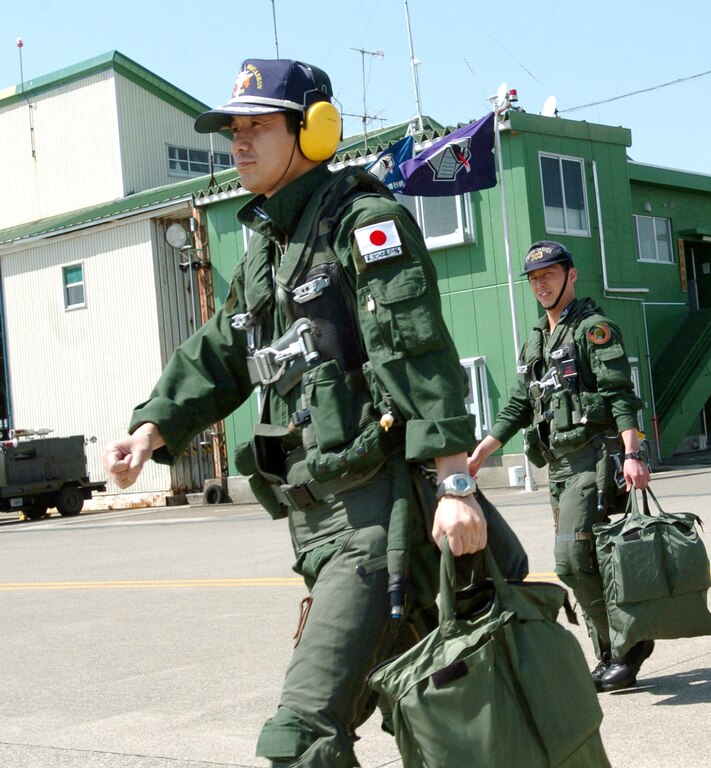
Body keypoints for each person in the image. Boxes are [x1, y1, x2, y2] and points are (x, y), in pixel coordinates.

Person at [103, 59, 519, 768]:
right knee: (442, 719)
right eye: (234, 130)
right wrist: (152, 428)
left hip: (375, 522)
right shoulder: (268, 249)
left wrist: (454, 485)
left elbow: (417, 355)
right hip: (317, 525)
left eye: (258, 127)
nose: (239, 143)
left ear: (313, 129)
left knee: (302, 737)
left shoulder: (365, 224)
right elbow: (221, 352)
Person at [468, 240, 653, 692]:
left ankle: (628, 647)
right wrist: (481, 452)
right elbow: (519, 404)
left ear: (571, 276)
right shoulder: (538, 339)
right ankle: (611, 655)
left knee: (571, 561)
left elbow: (620, 396)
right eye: (534, 278)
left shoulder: (594, 330)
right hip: (558, 468)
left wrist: (633, 454)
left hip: (591, 459)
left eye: (549, 274)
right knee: (585, 560)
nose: (541, 284)